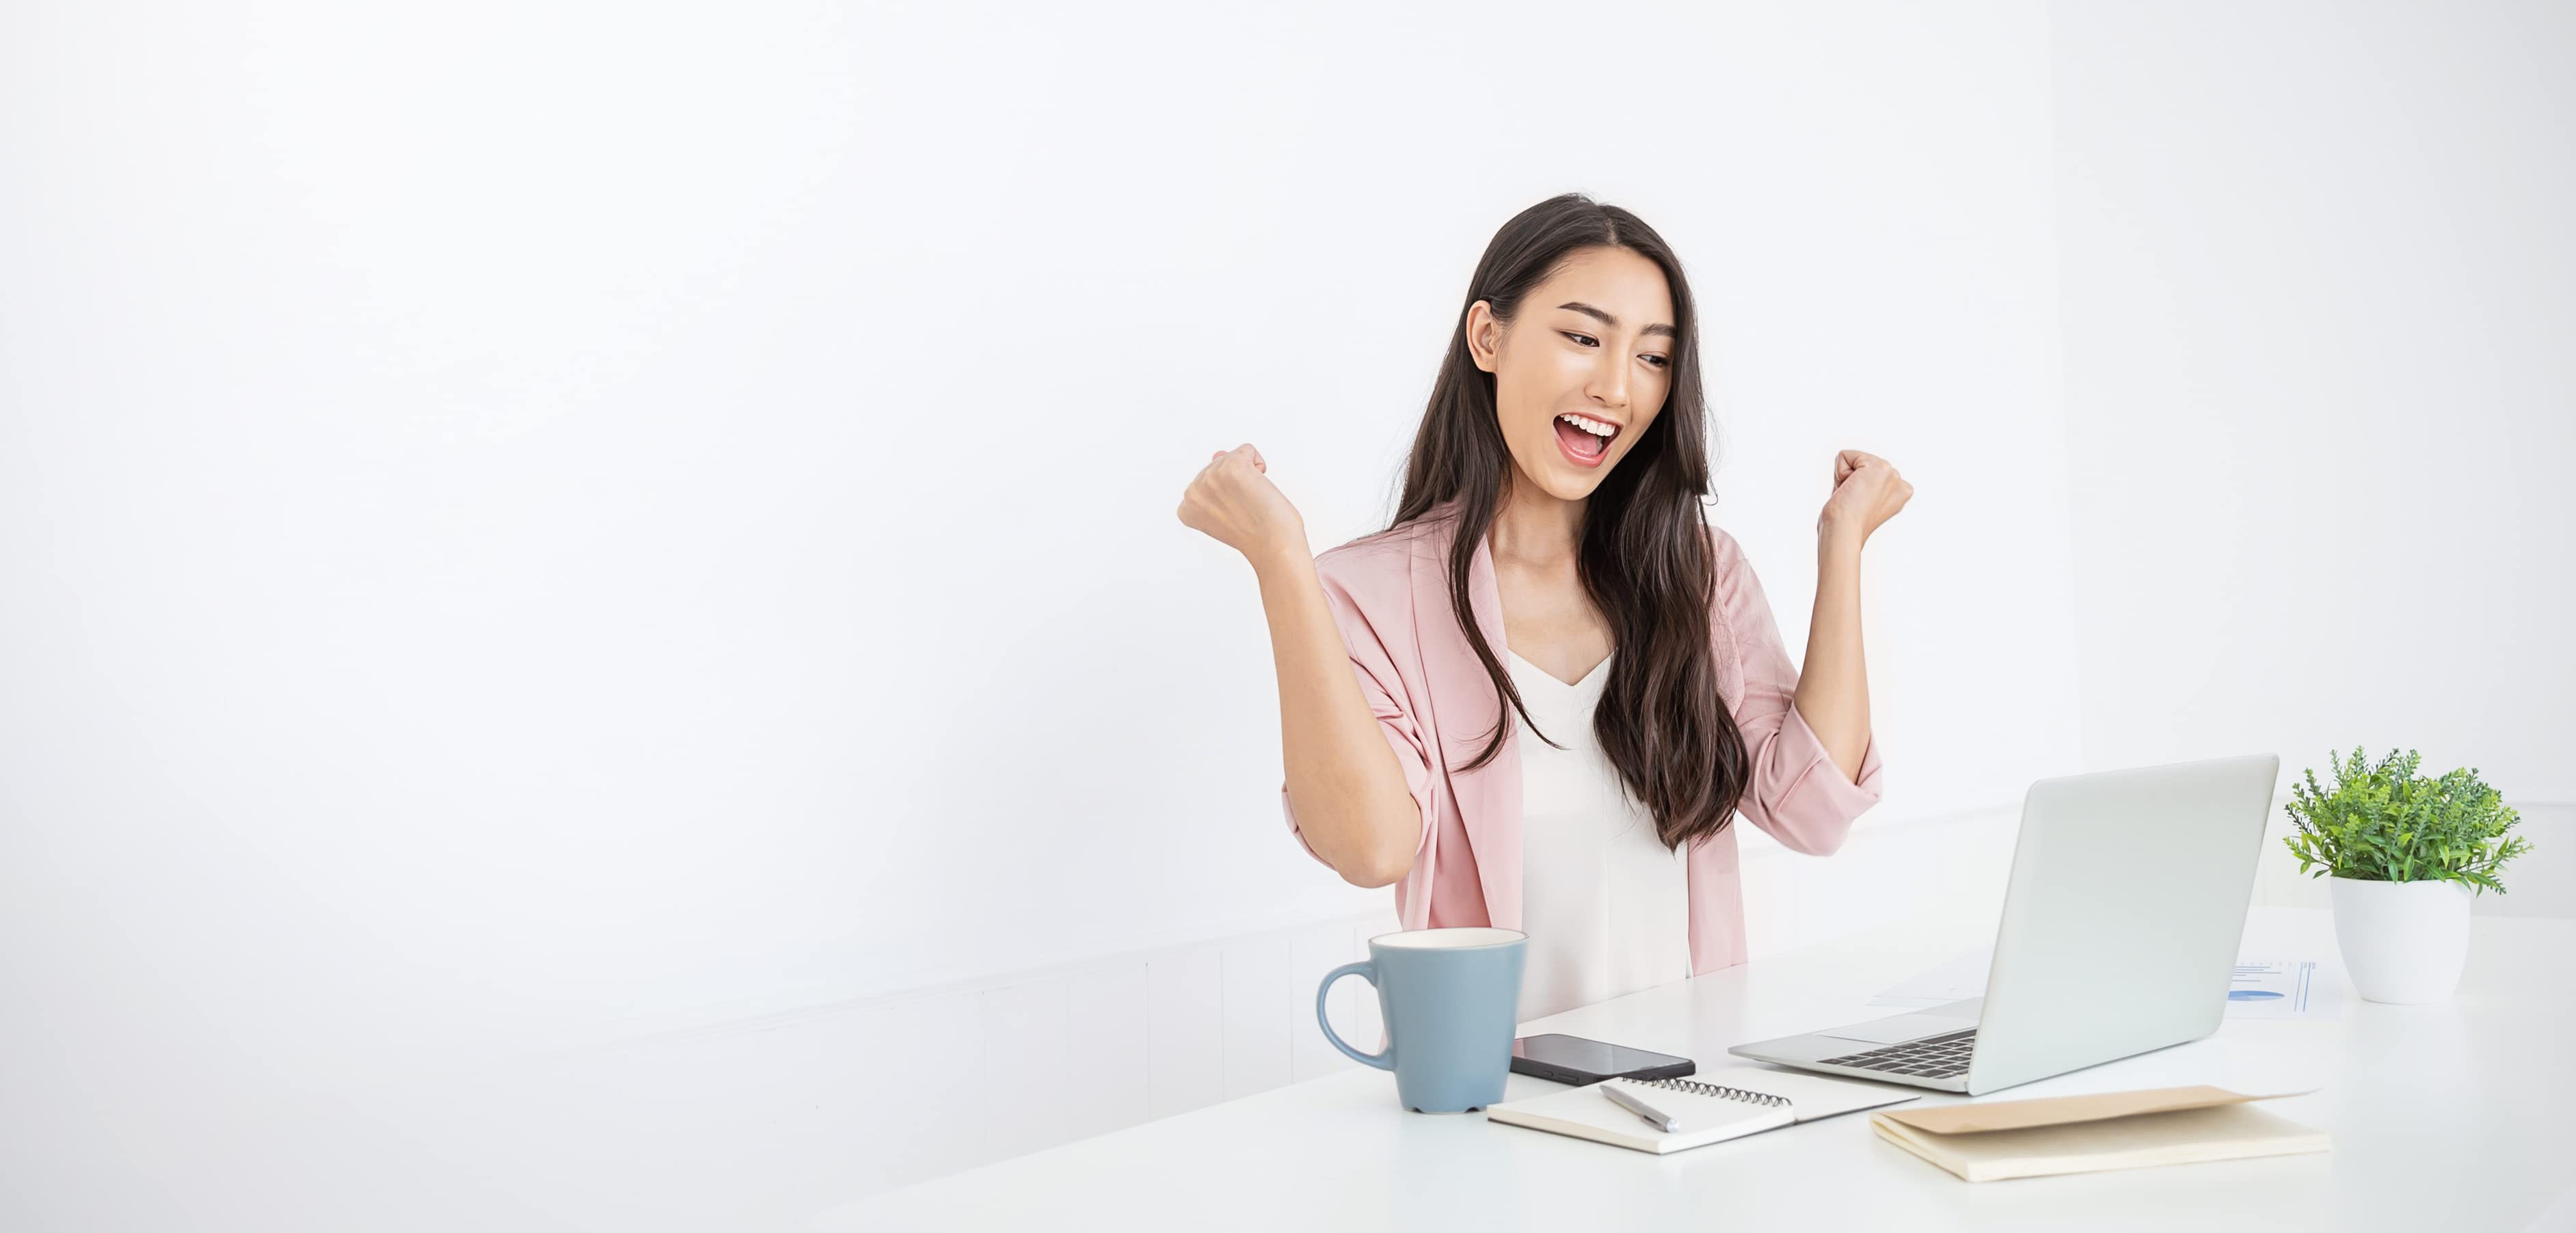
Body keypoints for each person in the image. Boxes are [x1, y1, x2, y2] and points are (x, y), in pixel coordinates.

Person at [1177, 193, 1913, 1024]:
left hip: (1694, 1095)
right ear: (1488, 337)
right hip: (1491, 1104)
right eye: (1583, 337)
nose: (1616, 386)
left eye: (1653, 357)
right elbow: (1372, 846)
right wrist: (1281, 562)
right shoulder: (1372, 592)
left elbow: (1813, 812)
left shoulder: (1698, 576)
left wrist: (1842, 548)